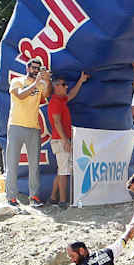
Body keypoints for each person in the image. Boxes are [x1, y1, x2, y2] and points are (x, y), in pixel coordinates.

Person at [5, 58, 48, 207]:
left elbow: (46, 94)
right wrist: (35, 84)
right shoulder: (17, 81)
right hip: (16, 125)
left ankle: (34, 197)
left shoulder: (40, 84)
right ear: (27, 67)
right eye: (34, 67)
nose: (36, 70)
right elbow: (20, 95)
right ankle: (11, 197)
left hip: (34, 127)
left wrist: (46, 80)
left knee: (34, 165)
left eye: (38, 68)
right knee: (12, 163)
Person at [45, 71, 89, 206]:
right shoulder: (55, 102)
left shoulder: (60, 100)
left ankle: (53, 198)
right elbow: (56, 122)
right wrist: (65, 140)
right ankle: (63, 201)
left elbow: (71, 95)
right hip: (60, 140)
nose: (66, 87)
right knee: (64, 171)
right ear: (56, 87)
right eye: (63, 85)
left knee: (62, 170)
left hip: (60, 139)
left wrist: (81, 81)